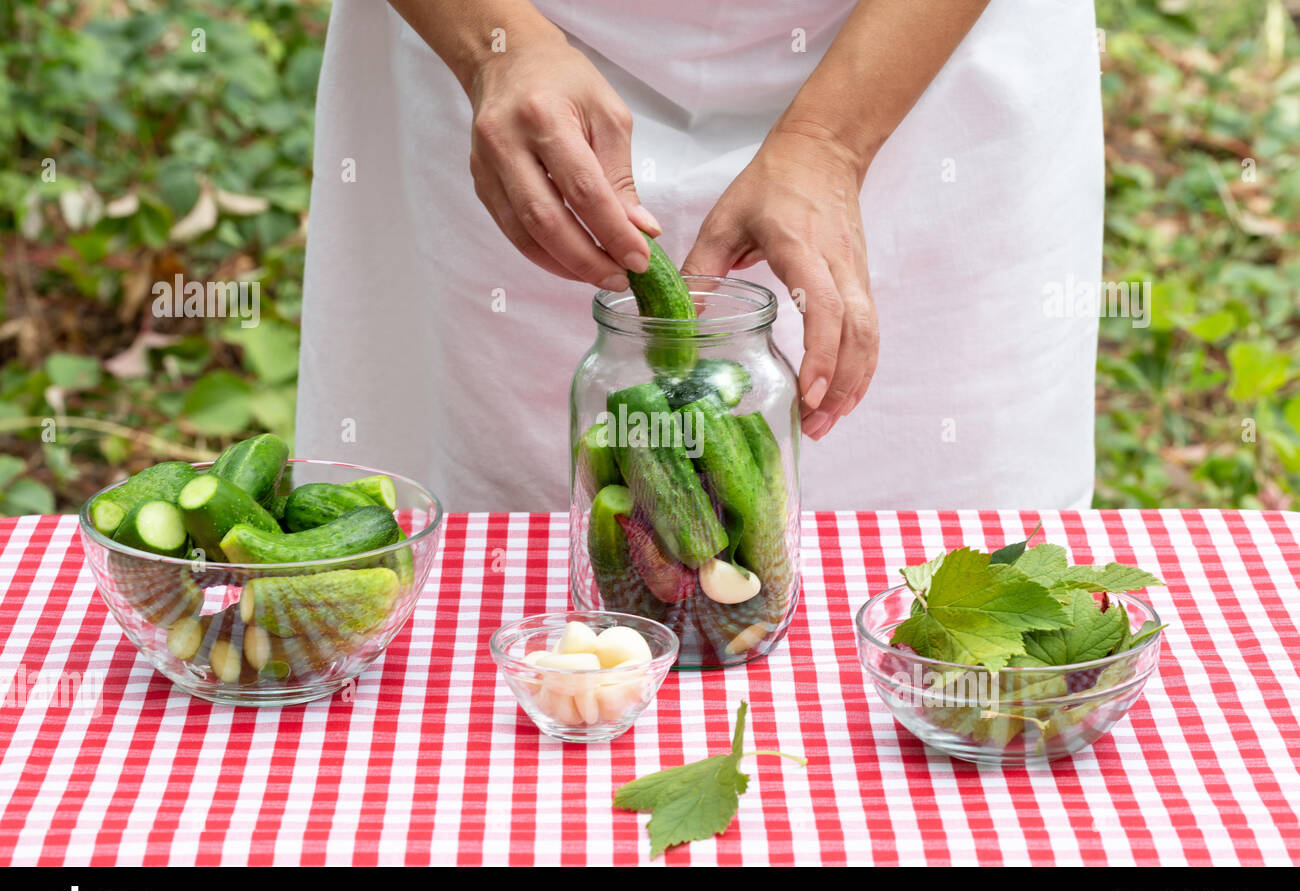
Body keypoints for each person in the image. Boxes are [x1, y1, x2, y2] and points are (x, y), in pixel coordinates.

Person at [296, 0, 1103, 512]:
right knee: (483, 544)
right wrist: (495, 47)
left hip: (913, 50)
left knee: (947, 566)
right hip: (484, 34)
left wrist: (831, 139)